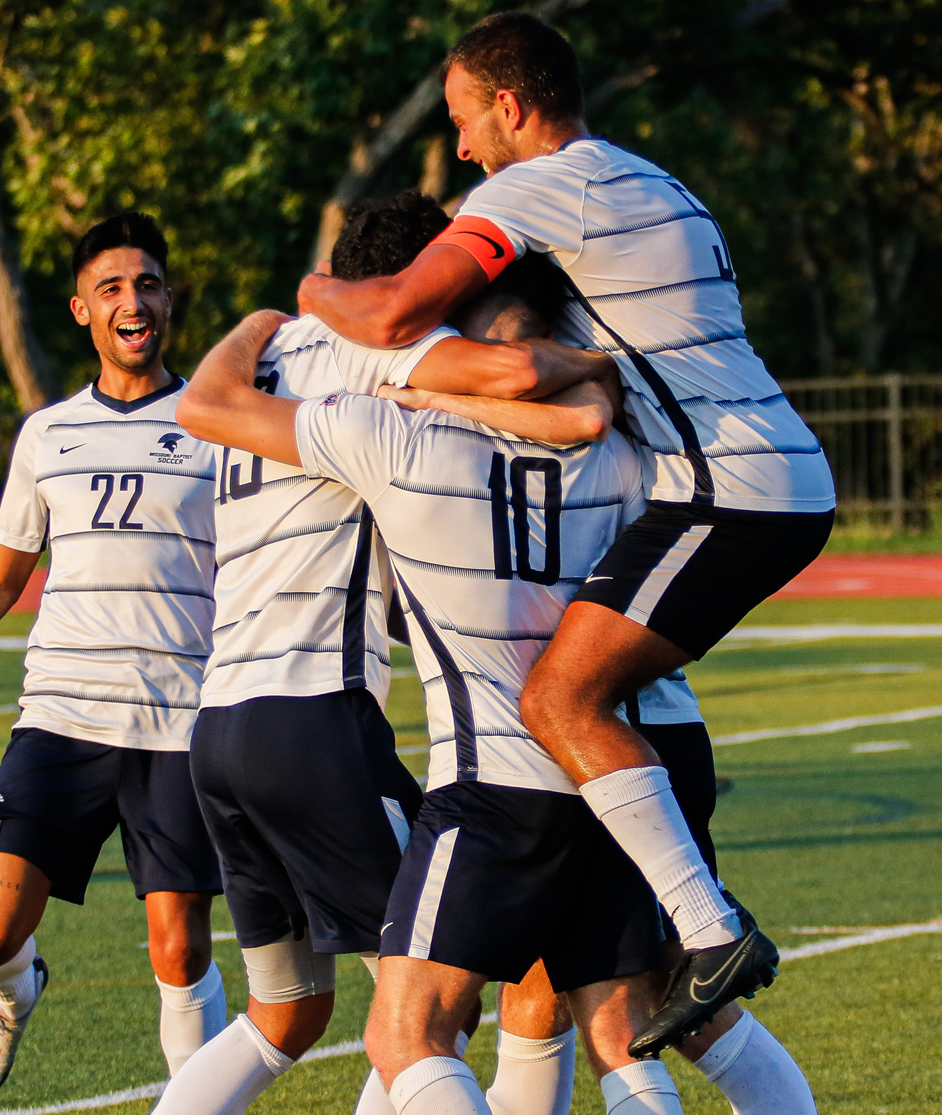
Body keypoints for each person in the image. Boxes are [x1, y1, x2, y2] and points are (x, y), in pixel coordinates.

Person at [297, 11, 836, 1052]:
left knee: (555, 695)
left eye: (464, 120)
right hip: (756, 474)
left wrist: (316, 288)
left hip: (730, 488)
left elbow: (394, 311)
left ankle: (710, 928)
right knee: (592, 692)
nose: (461, 149)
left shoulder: (534, 188)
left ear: (509, 105)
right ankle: (691, 920)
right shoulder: (653, 180)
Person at [179, 298, 729, 1115]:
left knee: (373, 1024)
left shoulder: (398, 434)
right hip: (604, 761)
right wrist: (593, 371)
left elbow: (205, 405)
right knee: (615, 1025)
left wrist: (264, 323)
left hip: (288, 733)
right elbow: (580, 415)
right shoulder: (617, 452)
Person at [161, 192, 615, 1115]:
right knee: (429, 1006)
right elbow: (519, 370)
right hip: (314, 719)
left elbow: (203, 402)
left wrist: (258, 317)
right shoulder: (379, 347)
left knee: (286, 1010)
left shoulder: (271, 352)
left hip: (220, 728)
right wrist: (603, 358)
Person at [0, 213, 225, 1101]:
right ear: (81, 310)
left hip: (179, 720)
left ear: (168, 301)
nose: (133, 301)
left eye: (148, 284)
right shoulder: (48, 433)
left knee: (180, 950)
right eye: (112, 288)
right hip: (61, 716)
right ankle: (14, 995)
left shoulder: (221, 423)